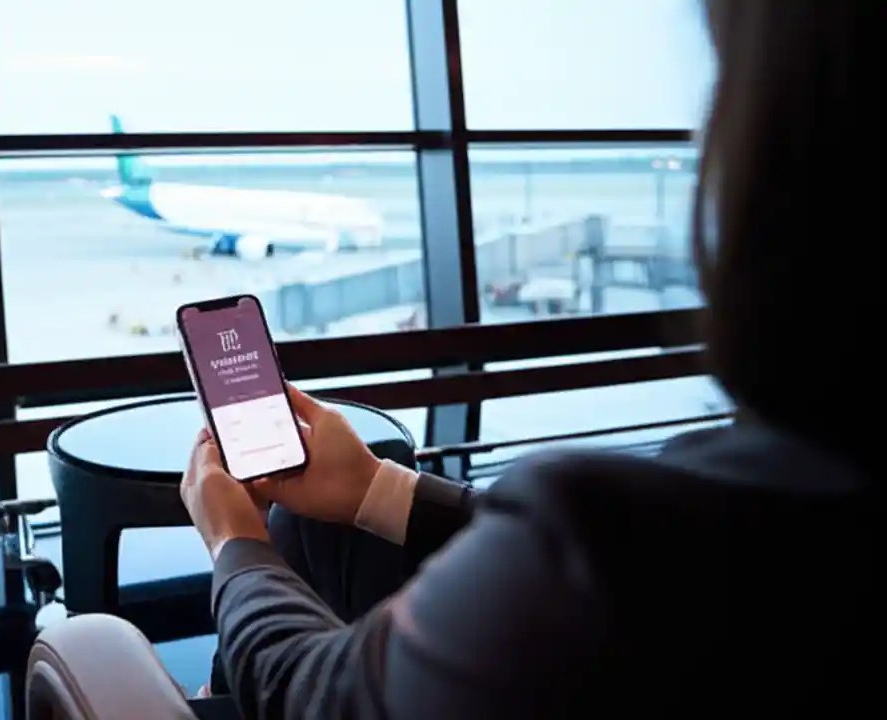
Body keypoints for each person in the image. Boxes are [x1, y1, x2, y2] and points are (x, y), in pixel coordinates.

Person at [179, 1, 876, 717]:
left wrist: (234, 543)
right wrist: (374, 488)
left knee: (123, 634)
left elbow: (324, 699)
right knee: (319, 523)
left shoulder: (604, 548)